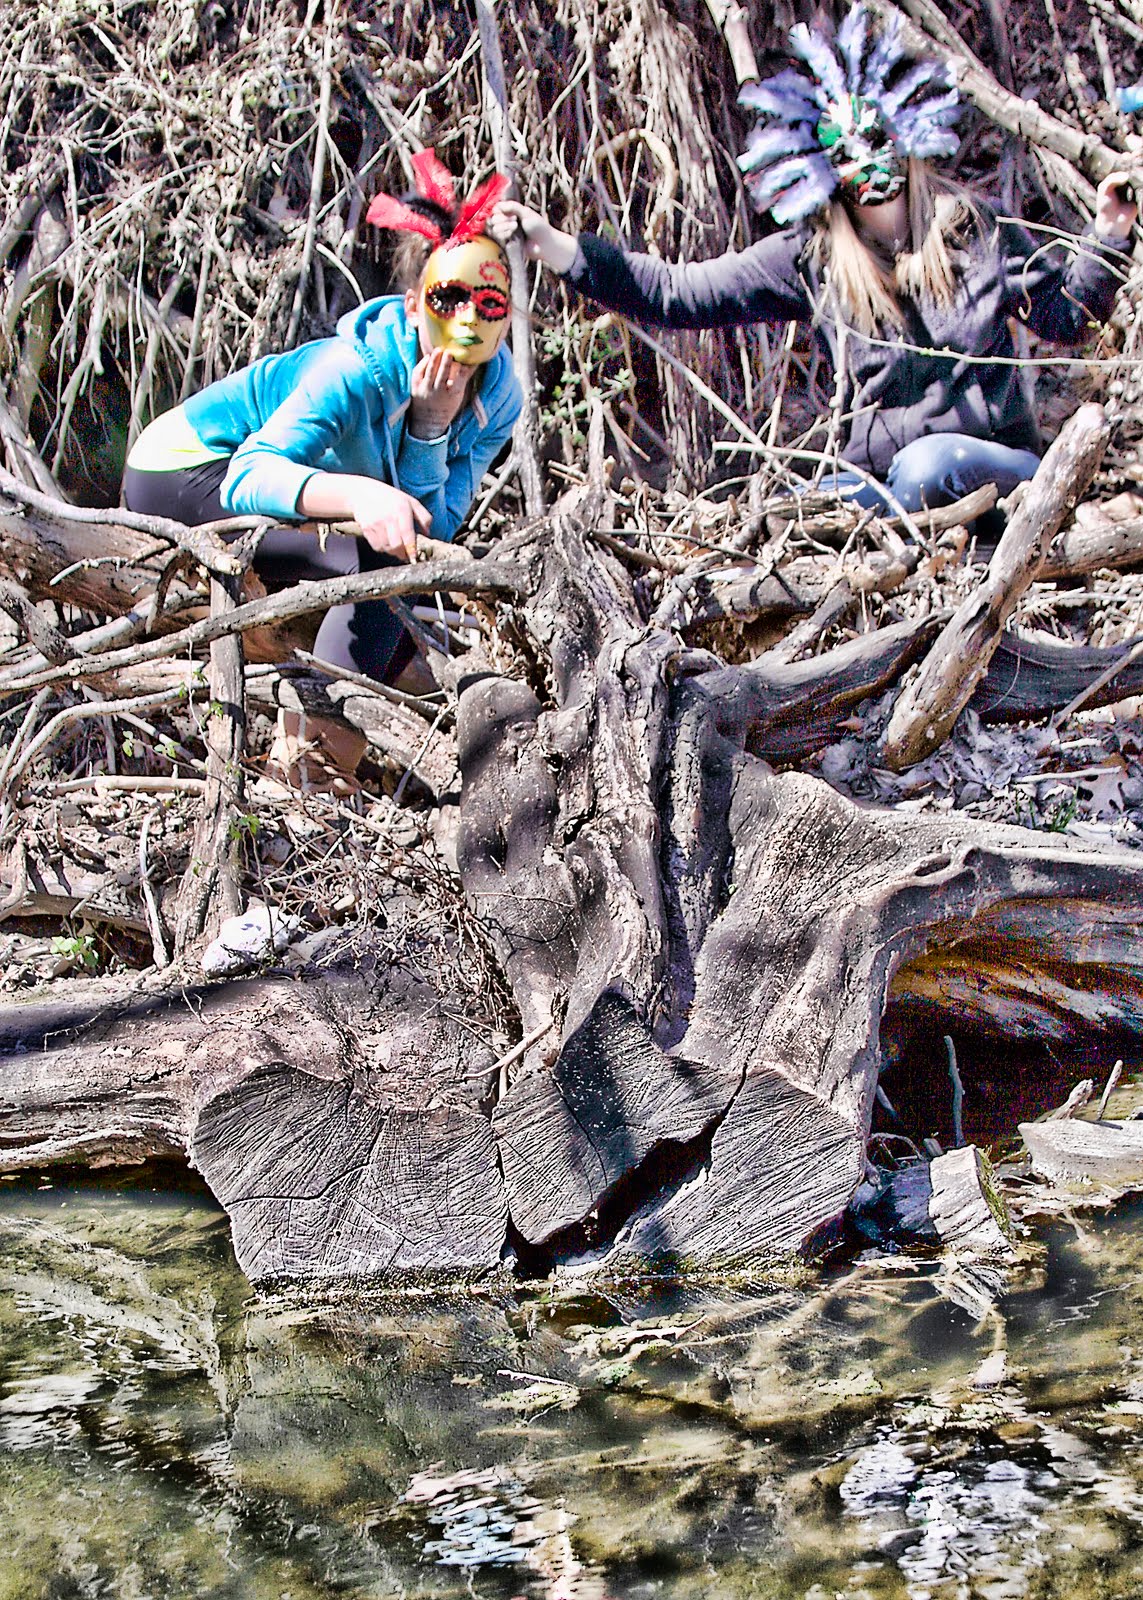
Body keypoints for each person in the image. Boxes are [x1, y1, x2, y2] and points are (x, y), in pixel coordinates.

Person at [490, 4, 1136, 522]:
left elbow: (1067, 316)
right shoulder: (812, 260)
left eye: (878, 142)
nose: (869, 168)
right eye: (846, 153)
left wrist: (1109, 232)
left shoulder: (972, 228)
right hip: (880, 484)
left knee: (927, 467)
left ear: (907, 138)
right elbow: (678, 293)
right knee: (790, 512)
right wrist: (554, 245)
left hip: (991, 474)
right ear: (821, 165)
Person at [124, 149, 522, 794]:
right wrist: (360, 495)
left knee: (403, 570)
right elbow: (248, 475)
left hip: (281, 503)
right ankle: (305, 774)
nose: (469, 317)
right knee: (379, 566)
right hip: (182, 470)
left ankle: (340, 748)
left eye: (490, 301)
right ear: (416, 304)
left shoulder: (500, 401)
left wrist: (428, 429)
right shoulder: (354, 368)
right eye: (449, 297)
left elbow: (433, 527)